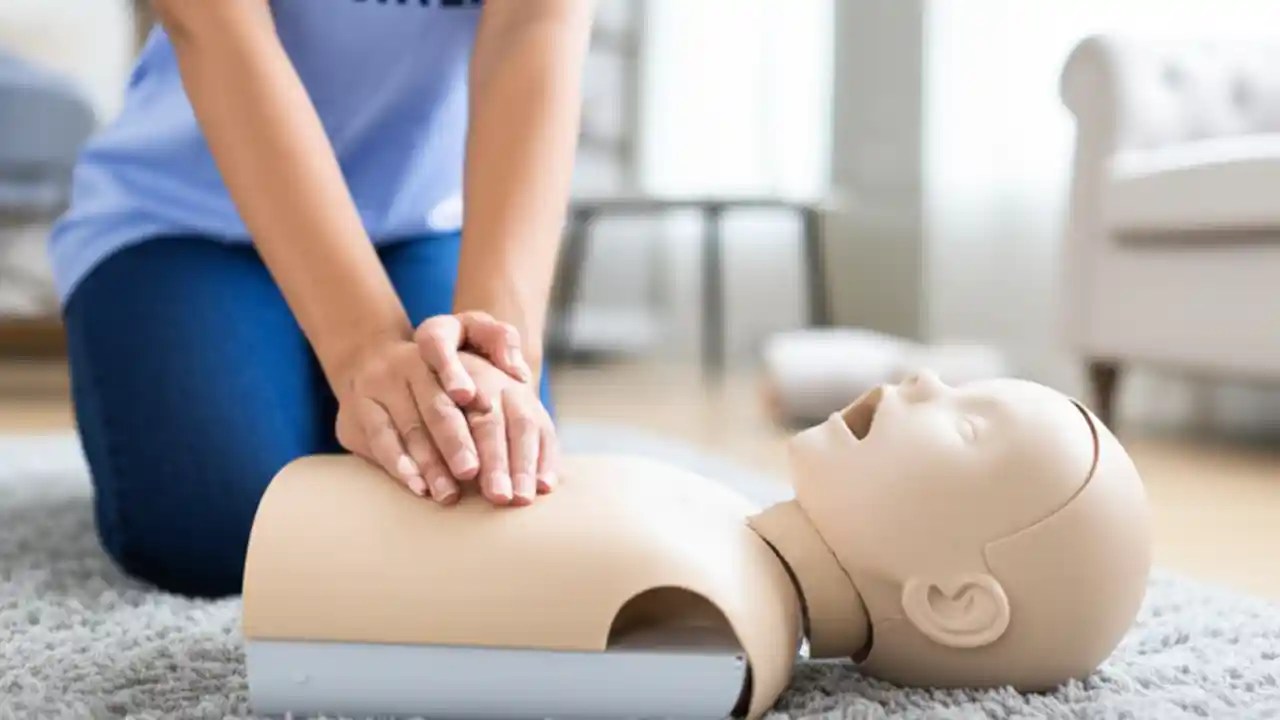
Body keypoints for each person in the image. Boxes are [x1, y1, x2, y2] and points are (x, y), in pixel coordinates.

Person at [49, 1, 593, 597]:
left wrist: (493, 349)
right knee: (228, 527)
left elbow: (536, 24)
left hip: (421, 222)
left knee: (486, 476)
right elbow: (217, 32)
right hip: (181, 222)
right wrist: (364, 352)